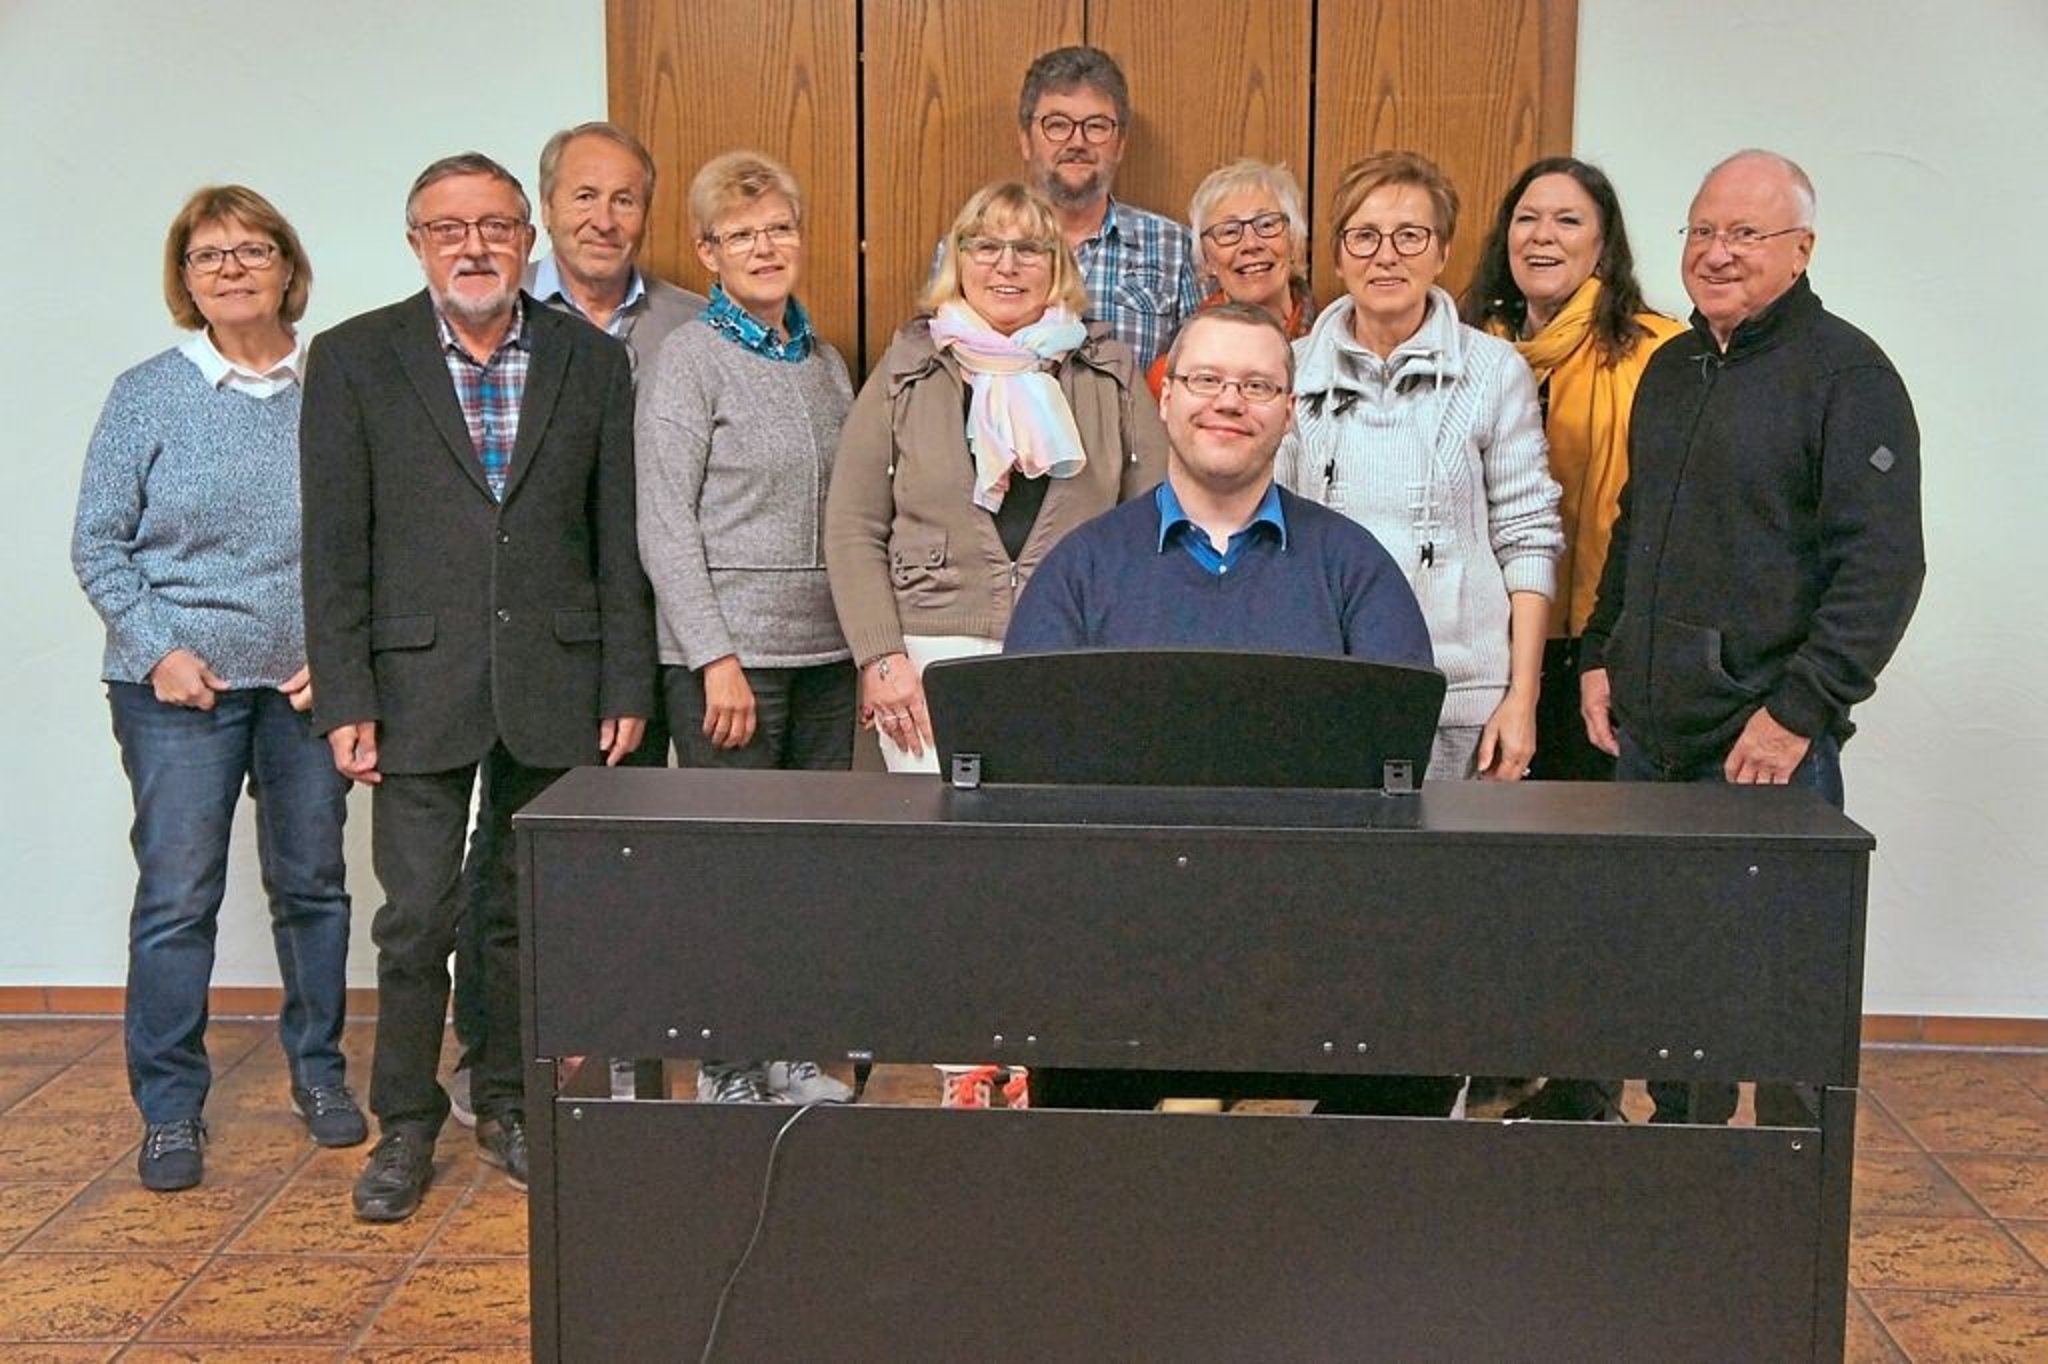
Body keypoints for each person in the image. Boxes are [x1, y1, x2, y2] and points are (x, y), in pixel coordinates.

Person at [301, 152, 654, 1222]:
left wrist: (624, 675)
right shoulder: (356, 357)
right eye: (449, 228)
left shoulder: (591, 361)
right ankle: (405, 1122)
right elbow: (334, 547)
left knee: (514, 912)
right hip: (411, 683)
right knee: (415, 915)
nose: (474, 246)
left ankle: (500, 1099)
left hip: (555, 674)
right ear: (415, 241)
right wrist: (346, 695)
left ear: (527, 240)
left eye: (496, 226)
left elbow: (615, 536)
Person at [1011, 303, 1446, 1115]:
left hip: (1317, 930)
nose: (1228, 400)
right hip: (1124, 936)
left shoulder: (1354, 568)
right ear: (1167, 396)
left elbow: (1399, 762)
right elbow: (1028, 766)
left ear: (1289, 410)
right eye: (1206, 379)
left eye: (1256, 384)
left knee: (1414, 1051)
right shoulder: (1082, 569)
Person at [1579, 149, 1923, 1126]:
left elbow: (1883, 565)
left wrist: (1796, 711)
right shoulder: (1670, 367)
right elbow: (1636, 521)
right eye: (1700, 230)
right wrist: (1602, 650)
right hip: (1650, 739)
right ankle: (1679, 1166)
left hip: (1763, 749)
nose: (1715, 252)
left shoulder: (1846, 374)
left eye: (1744, 232)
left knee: (1777, 998)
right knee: (1665, 985)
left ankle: (1783, 1201)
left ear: (1799, 248)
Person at [72, 186, 361, 1193]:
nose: (232, 268)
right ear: (185, 279)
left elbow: (373, 538)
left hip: (303, 691)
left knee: (315, 888)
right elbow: (99, 544)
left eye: (252, 249)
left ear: (288, 265)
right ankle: (168, 1109)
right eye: (208, 255)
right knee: (178, 900)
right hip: (175, 693)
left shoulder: (340, 382)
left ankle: (320, 1074)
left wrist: (345, 648)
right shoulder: (146, 391)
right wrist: (158, 647)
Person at [447, 121, 707, 1126]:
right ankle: (496, 1057)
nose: (605, 218)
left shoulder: (690, 324)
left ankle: (618, 1047)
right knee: (504, 860)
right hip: (520, 641)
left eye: (626, 198)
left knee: (629, 853)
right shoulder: (486, 314)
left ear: (649, 210)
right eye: (585, 197)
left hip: (644, 628)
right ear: (545, 209)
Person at [1459, 156, 1685, 1122]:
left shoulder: (1655, 352)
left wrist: (1610, 648)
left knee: (1594, 879)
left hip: (1596, 644)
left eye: (1567, 221)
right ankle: (1503, 1062)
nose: (1541, 237)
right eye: (1526, 219)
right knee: (1500, 878)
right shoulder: (1470, 346)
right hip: (1496, 645)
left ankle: (1588, 1086)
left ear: (1605, 243)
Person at [637, 150, 855, 1106]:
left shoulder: (825, 359)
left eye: (779, 228)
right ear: (706, 252)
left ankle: (794, 1051)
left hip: (825, 654)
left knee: (806, 875)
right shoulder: (688, 358)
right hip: (731, 662)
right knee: (733, 873)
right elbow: (663, 519)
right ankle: (729, 1064)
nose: (764, 247)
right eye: (740, 234)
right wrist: (713, 656)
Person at [827, 179, 1169, 777]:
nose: (1006, 266)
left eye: (1030, 250)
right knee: (937, 851)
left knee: (1053, 851)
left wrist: (1127, 660)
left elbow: (1156, 523)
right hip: (929, 659)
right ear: (958, 260)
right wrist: (881, 657)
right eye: (985, 247)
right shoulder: (910, 363)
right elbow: (853, 526)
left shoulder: (1106, 367)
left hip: (1074, 649)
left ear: (1056, 265)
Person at [1278, 150, 1562, 786]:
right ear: (1337, 255)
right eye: (1366, 236)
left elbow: (1529, 538)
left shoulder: (1493, 372)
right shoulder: (1288, 371)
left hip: (1465, 702)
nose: (1387, 255)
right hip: (1324, 696)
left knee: (1453, 886)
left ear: (1441, 253)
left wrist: (1522, 700)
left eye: (1411, 235)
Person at [1011, 45, 1199, 368]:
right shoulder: (974, 250)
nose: (1077, 142)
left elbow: (1201, 374)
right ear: (1026, 140)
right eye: (1057, 124)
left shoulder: (1176, 249)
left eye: (1096, 126)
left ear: (1121, 144)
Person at [1144, 159, 1314, 399]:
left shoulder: (1334, 346)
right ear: (1207, 260)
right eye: (1229, 232)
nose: (1251, 244)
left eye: (1266, 225)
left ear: (1295, 242)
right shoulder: (1175, 372)